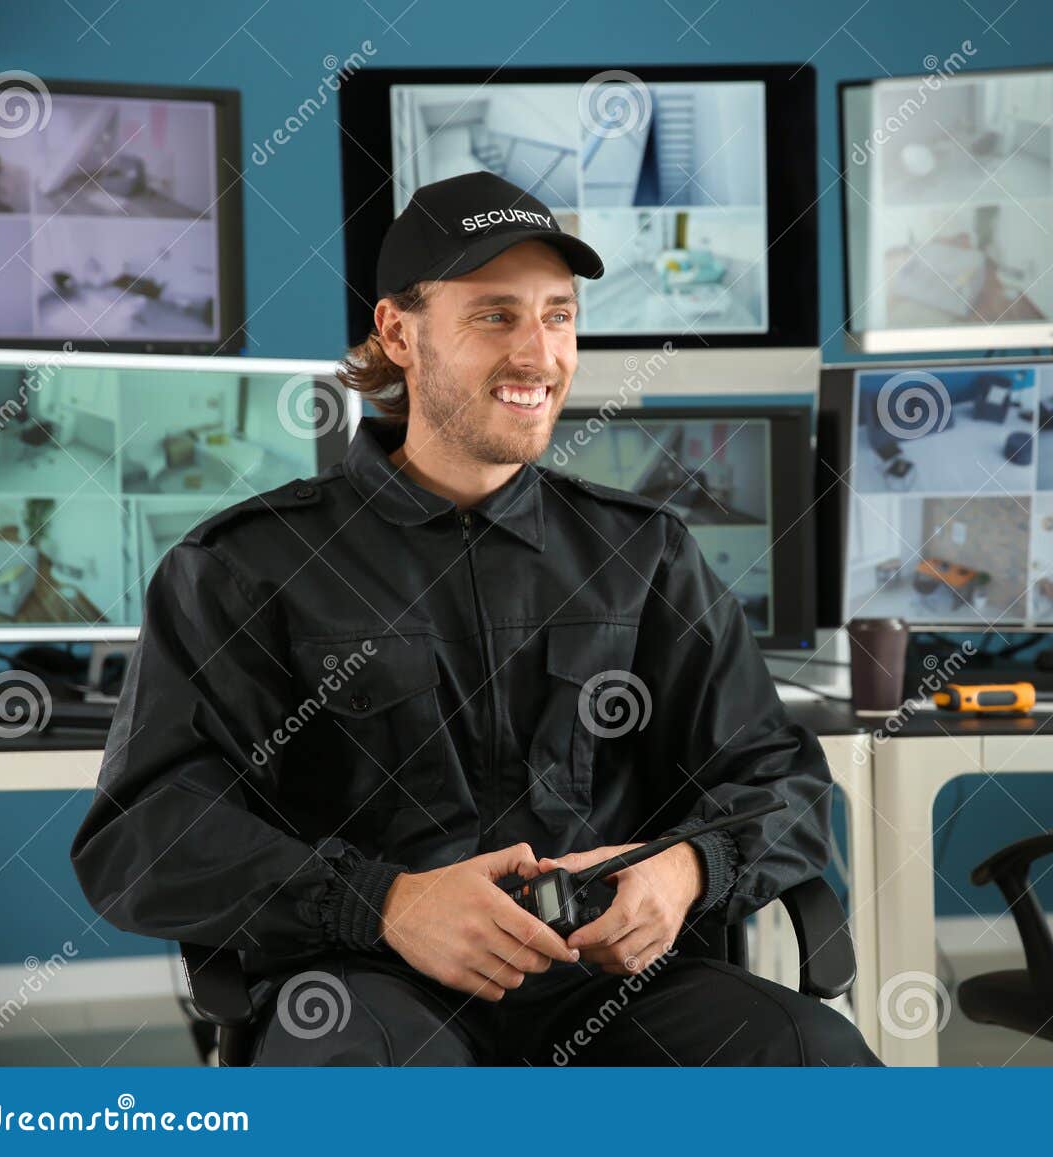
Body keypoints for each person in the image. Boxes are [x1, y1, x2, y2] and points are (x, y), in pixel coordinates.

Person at [71, 171, 879, 1067]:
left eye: (559, 314)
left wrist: (685, 868)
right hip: (365, 983)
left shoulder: (644, 553)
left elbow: (781, 779)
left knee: (814, 1055)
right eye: (495, 315)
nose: (539, 354)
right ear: (399, 333)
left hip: (607, 985)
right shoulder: (243, 566)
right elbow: (145, 833)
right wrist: (381, 902)